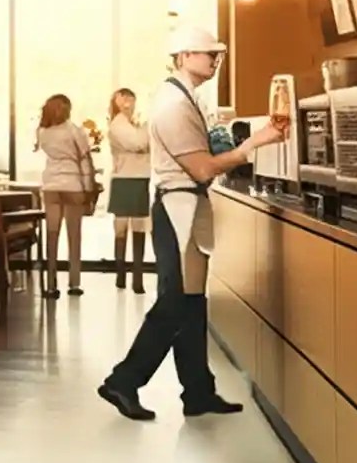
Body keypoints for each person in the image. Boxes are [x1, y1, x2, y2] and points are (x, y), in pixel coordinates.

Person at [98, 25, 285, 420]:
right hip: (178, 208)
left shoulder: (187, 98)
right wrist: (254, 144)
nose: (215, 59)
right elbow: (200, 167)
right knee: (176, 302)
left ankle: (198, 391)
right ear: (182, 56)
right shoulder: (173, 105)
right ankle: (123, 381)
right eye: (206, 53)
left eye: (217, 53)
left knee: (192, 302)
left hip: (187, 207)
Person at [35, 94, 97, 299]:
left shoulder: (42, 131)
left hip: (50, 184)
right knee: (74, 235)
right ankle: (74, 282)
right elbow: (85, 159)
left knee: (52, 234)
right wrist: (89, 187)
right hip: (73, 184)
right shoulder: (74, 130)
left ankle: (51, 284)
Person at [107, 88, 150, 294]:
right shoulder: (118, 124)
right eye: (123, 98)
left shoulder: (133, 123)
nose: (129, 102)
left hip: (139, 177)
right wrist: (148, 131)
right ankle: (122, 273)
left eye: (132, 98)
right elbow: (138, 144)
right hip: (126, 178)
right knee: (123, 227)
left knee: (139, 226)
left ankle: (136, 276)